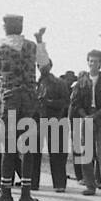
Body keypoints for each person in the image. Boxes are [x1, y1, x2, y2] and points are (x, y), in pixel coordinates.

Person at [0, 16, 48, 201]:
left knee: (8, 147)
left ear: (5, 28)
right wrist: (39, 41)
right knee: (27, 148)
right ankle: (26, 194)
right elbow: (44, 63)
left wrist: (0, 79)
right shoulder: (31, 46)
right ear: (20, 28)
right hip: (29, 98)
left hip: (10, 98)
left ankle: (5, 193)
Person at [68, 50, 101, 197]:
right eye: (90, 61)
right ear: (87, 62)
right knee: (87, 153)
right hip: (86, 117)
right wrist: (86, 116)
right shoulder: (81, 82)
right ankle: (90, 186)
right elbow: (75, 102)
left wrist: (96, 115)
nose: (92, 64)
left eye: (95, 61)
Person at [36, 59, 71, 191]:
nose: (42, 67)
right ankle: (33, 183)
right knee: (34, 153)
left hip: (54, 119)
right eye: (40, 65)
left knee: (56, 154)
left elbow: (65, 102)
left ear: (51, 66)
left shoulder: (59, 83)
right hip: (37, 121)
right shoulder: (34, 83)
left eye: (45, 65)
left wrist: (48, 102)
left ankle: (60, 184)